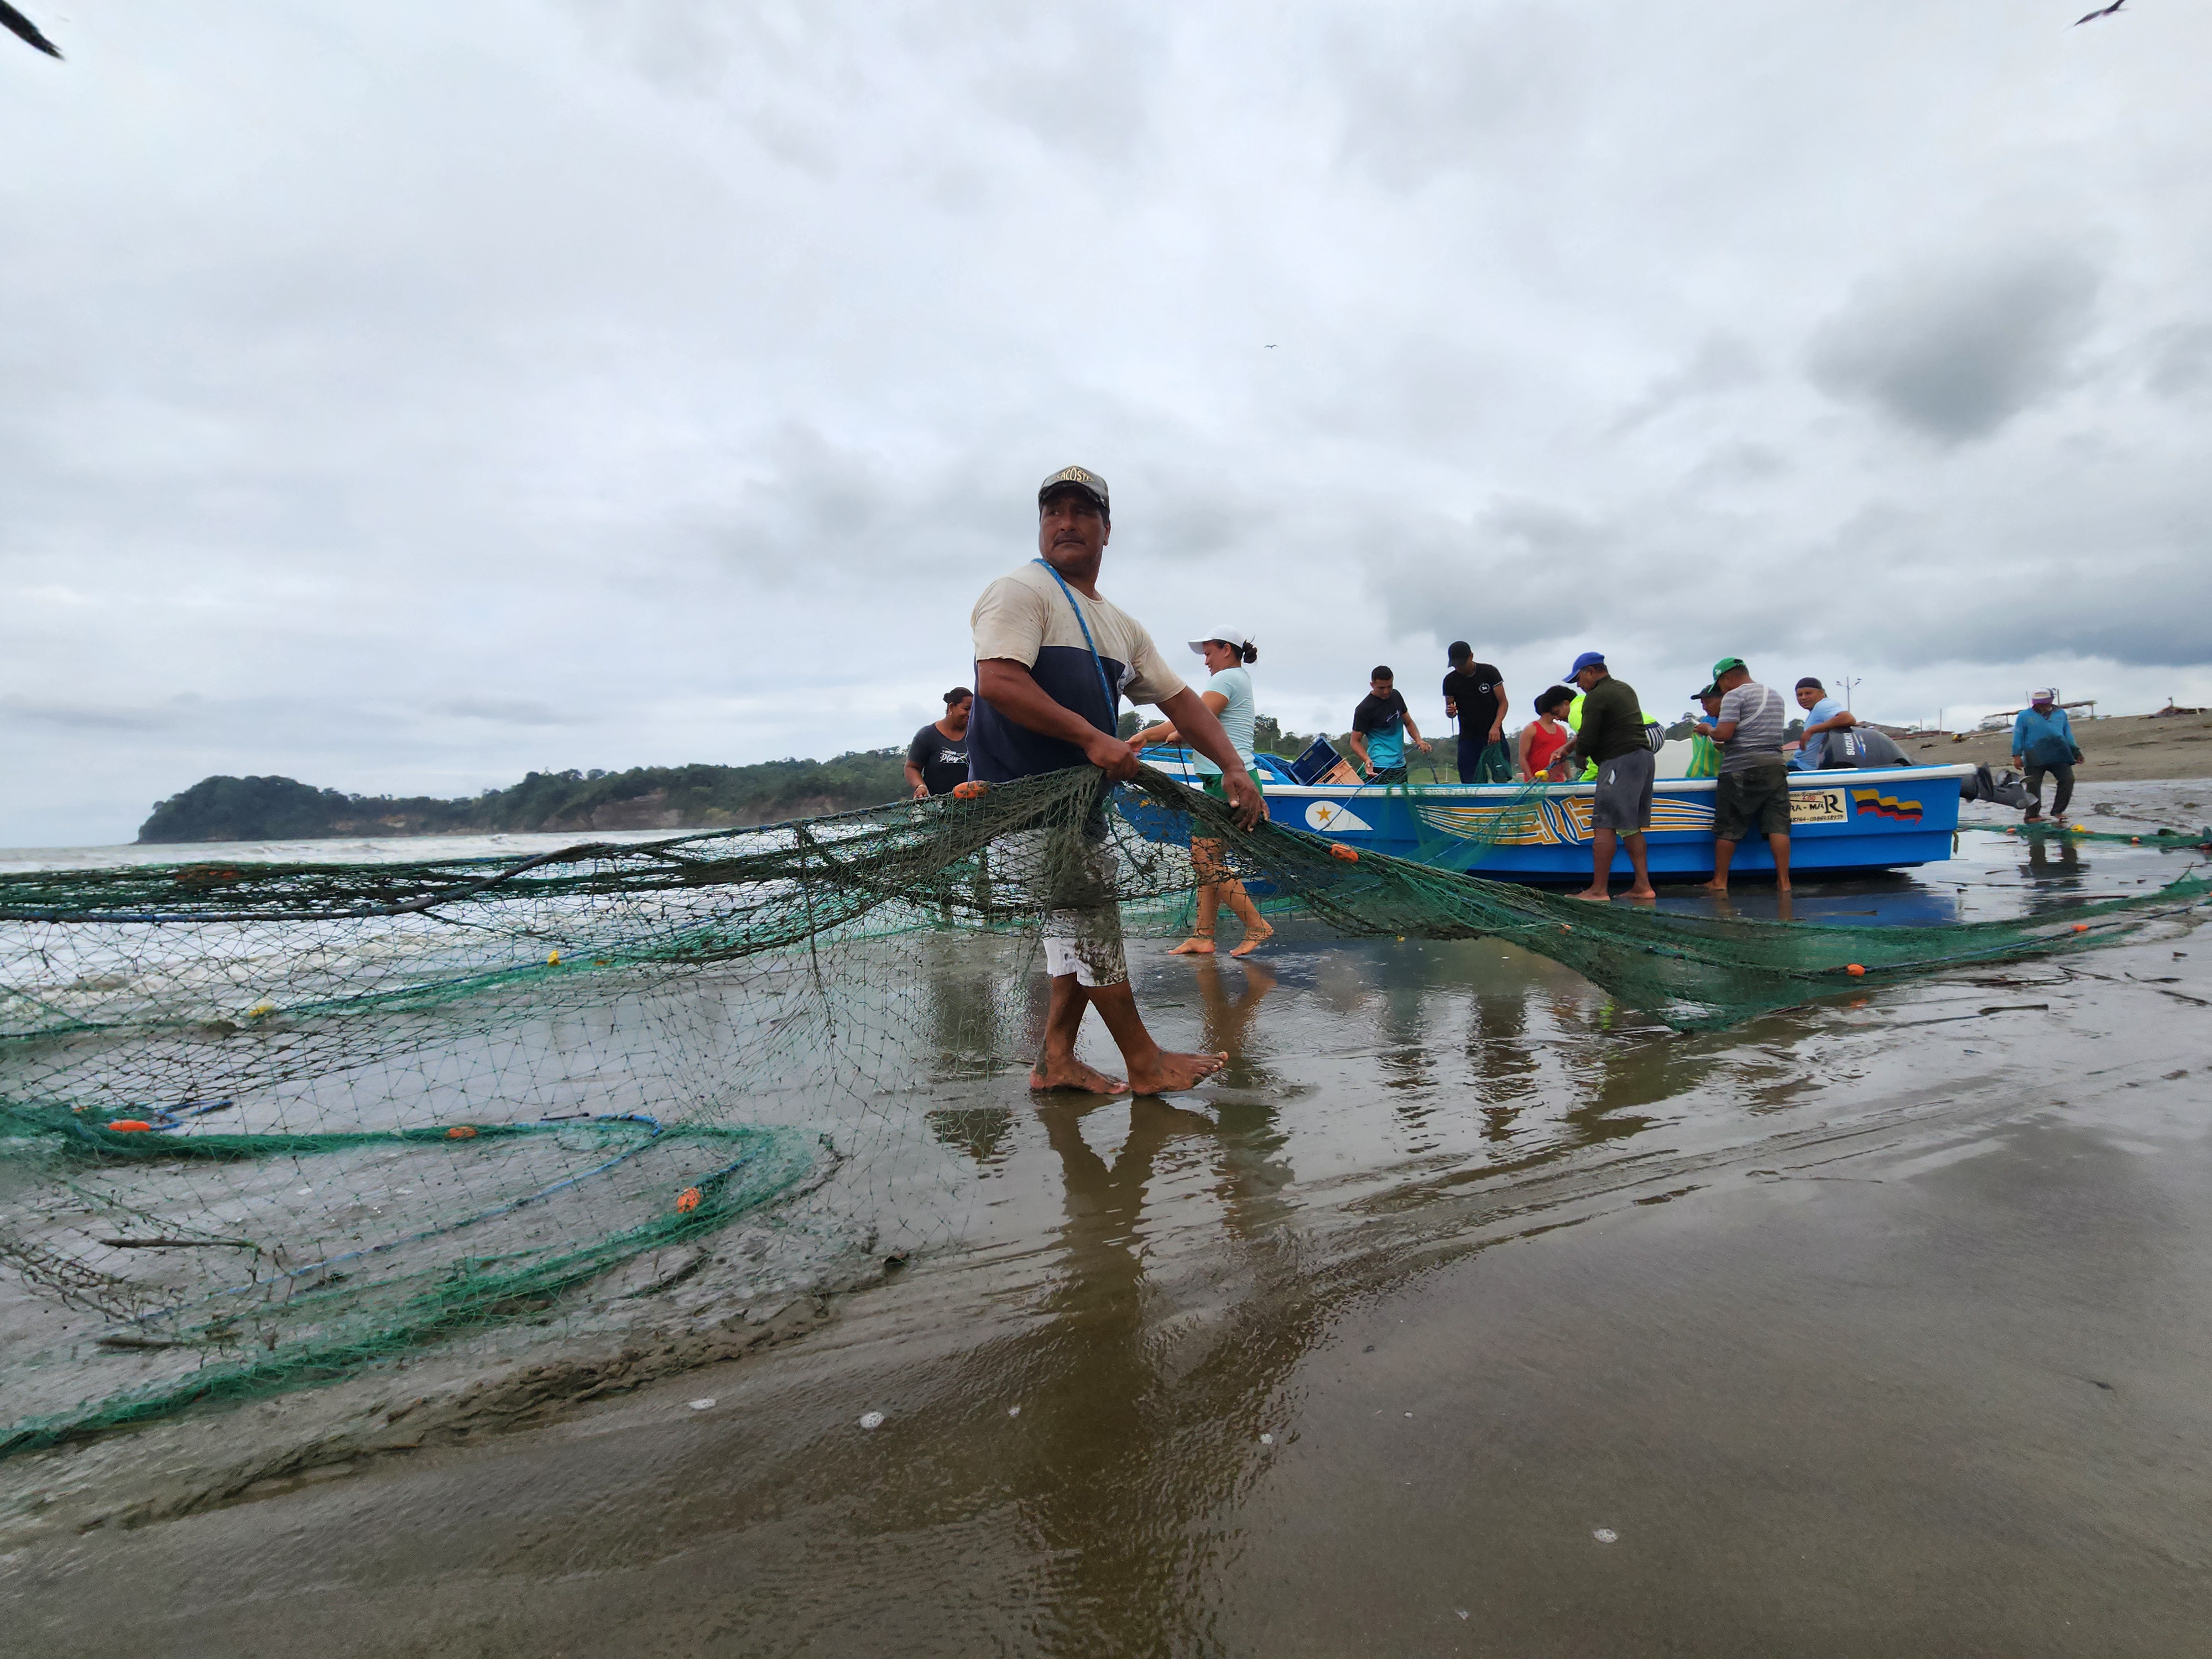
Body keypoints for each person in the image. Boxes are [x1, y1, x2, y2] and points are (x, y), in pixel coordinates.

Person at [970, 465, 1263, 1096]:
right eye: (1054, 512)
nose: (1067, 523)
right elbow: (999, 681)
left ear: (1107, 530)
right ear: (1041, 524)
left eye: (1082, 512)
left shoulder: (1119, 626)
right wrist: (1090, 736)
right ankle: (1144, 1061)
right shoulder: (1019, 592)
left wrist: (1235, 767)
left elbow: (1182, 701)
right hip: (1027, 803)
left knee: (1072, 936)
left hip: (1082, 809)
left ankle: (1055, 1061)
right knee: (1091, 925)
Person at [1129, 629, 1275, 958]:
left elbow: (1195, 718)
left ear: (1227, 650)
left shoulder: (1225, 680)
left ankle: (1257, 925)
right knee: (1208, 860)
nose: (1206, 661)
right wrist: (1148, 735)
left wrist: (1171, 732)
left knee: (1205, 860)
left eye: (1209, 653)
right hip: (1224, 781)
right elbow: (1189, 720)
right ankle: (1203, 936)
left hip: (1230, 784)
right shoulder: (1238, 678)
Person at [1557, 651, 1656, 901]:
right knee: (1630, 826)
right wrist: (1572, 749)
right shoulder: (1624, 689)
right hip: (1643, 758)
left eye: (1579, 679)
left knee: (1604, 823)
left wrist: (1578, 757)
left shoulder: (1597, 696)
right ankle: (1643, 887)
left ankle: (1598, 890)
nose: (1579, 686)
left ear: (1591, 672)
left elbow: (1588, 738)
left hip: (1619, 761)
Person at [1693, 656, 1792, 895]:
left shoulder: (1735, 696)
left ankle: (1720, 881)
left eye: (1721, 684)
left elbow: (1724, 734)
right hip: (1775, 765)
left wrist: (1709, 730)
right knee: (1778, 825)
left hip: (1741, 767)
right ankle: (1784, 883)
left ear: (1727, 678)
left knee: (1729, 826)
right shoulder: (1775, 695)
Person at [1345, 666, 1432, 784]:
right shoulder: (1364, 709)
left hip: (1400, 764)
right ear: (1372, 685)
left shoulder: (1396, 696)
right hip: (1379, 765)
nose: (1386, 692)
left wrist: (1419, 740)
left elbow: (1408, 722)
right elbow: (1355, 741)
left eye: (1389, 687)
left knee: (1401, 802)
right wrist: (1366, 760)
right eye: (1381, 688)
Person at [1442, 642, 1509, 783]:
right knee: (1471, 782)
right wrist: (1451, 711)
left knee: (1501, 777)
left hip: (1493, 734)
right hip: (1468, 737)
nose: (1459, 668)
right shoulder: (1450, 680)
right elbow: (1450, 710)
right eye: (1455, 665)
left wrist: (1496, 726)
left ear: (1471, 657)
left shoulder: (1489, 672)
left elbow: (1503, 703)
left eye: (1462, 664)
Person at [2011, 690, 2080, 823]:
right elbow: (2018, 736)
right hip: (2034, 755)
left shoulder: (2060, 714)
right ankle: (2032, 814)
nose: (2042, 707)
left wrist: (2076, 752)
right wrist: (2017, 755)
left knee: (2068, 780)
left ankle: (2058, 811)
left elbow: (2068, 734)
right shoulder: (2024, 716)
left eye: (2045, 704)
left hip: (2060, 753)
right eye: (2039, 704)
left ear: (2051, 701)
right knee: (2033, 785)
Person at [904, 687, 974, 798]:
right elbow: (912, 768)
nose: (970, 714)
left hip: (972, 806)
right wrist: (920, 786)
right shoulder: (927, 735)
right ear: (951, 707)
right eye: (966, 709)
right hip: (935, 807)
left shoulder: (975, 735)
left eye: (973, 710)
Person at [1790, 677, 1856, 770]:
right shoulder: (1817, 710)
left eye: (1808, 693)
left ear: (1822, 692)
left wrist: (1812, 730)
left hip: (1804, 767)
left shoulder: (1823, 705)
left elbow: (1848, 719)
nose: (1803, 698)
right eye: (1799, 695)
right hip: (1800, 764)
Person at [1516, 686, 1577, 781]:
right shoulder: (1531, 729)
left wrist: (1569, 778)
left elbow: (1564, 757)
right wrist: (1531, 779)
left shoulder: (1562, 730)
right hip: (1537, 783)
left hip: (1558, 783)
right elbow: (1522, 758)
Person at [1684, 685, 1724, 779]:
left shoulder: (1734, 720)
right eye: (1703, 704)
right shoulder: (1708, 720)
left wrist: (1709, 731)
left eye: (1708, 702)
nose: (1704, 708)